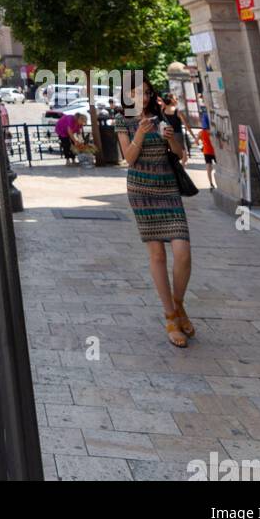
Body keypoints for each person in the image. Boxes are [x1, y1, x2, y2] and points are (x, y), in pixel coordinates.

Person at [116, 89, 194, 348]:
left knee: (182, 250)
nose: (143, 96)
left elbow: (180, 155)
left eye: (146, 91)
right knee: (157, 254)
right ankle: (170, 315)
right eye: (136, 91)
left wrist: (172, 140)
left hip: (167, 187)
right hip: (141, 190)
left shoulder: (161, 117)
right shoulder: (123, 120)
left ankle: (179, 302)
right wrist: (139, 133)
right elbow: (129, 158)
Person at [200, 124, 216, 188]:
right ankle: (212, 183)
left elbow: (196, 141)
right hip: (214, 152)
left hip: (206, 152)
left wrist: (202, 146)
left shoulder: (201, 133)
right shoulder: (213, 132)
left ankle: (211, 183)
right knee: (213, 168)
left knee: (209, 168)